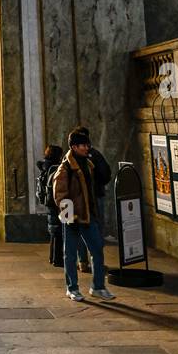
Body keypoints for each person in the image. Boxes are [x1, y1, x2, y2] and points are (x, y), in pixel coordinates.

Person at [53, 128, 115, 303]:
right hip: (73, 218)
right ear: (74, 147)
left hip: (89, 216)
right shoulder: (65, 168)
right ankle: (72, 288)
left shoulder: (89, 164)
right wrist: (69, 217)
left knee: (97, 250)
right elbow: (60, 195)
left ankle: (98, 287)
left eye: (87, 144)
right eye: (83, 145)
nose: (87, 147)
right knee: (70, 254)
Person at [76, 126, 112, 274]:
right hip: (95, 197)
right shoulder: (94, 154)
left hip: (80, 199)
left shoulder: (71, 158)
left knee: (81, 230)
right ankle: (96, 263)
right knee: (96, 229)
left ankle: (83, 261)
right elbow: (106, 174)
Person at [36, 143, 64, 268]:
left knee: (53, 231)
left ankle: (52, 257)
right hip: (55, 202)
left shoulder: (44, 166)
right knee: (57, 231)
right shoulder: (55, 167)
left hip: (48, 201)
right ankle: (57, 259)